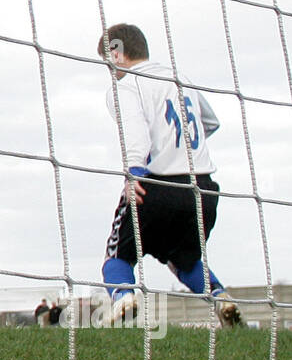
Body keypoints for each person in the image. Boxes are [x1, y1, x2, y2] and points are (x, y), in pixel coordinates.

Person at [97, 23, 240, 327]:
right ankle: (220, 296)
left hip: (155, 186)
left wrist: (134, 173)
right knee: (183, 260)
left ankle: (124, 297)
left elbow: (135, 132)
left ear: (117, 54)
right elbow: (210, 123)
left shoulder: (125, 86)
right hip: (203, 189)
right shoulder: (180, 80)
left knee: (117, 258)